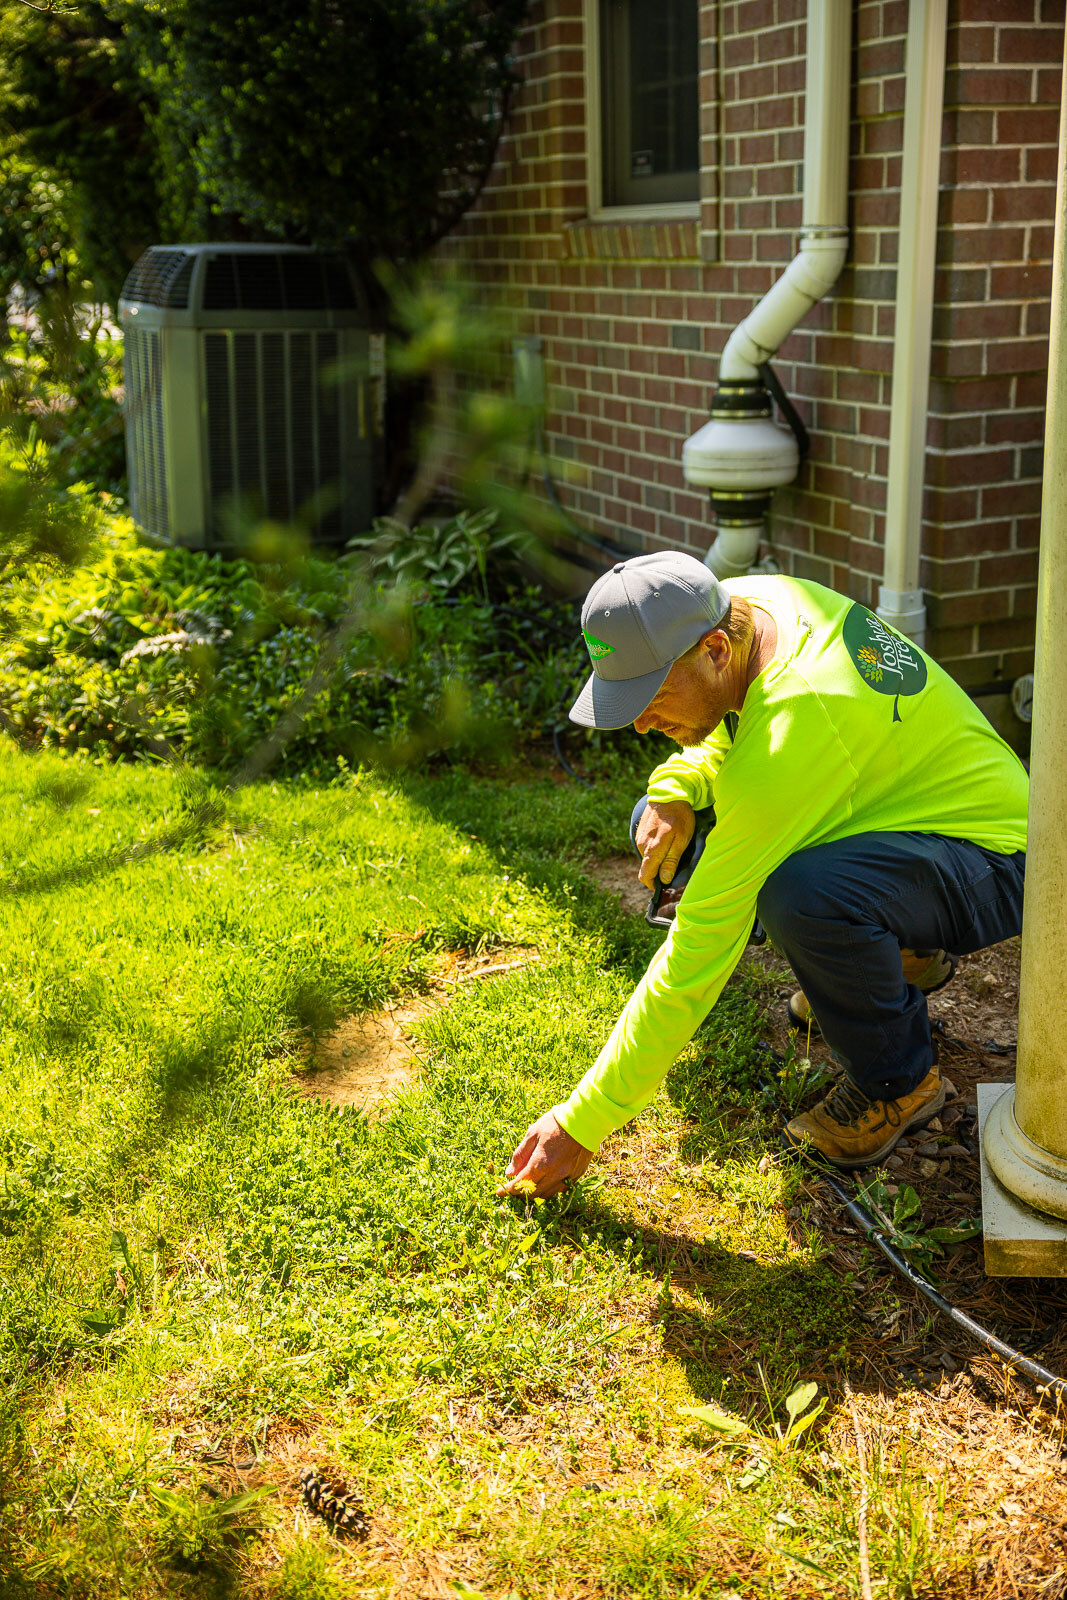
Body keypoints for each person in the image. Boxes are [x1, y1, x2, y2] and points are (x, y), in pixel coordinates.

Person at [499, 550, 1028, 1195]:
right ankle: (895, 959)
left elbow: (695, 957)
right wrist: (675, 786)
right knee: (662, 814)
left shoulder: (792, 730)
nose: (640, 722)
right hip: (901, 811)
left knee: (798, 896)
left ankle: (900, 1081)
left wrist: (584, 1121)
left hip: (998, 861)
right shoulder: (748, 603)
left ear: (715, 650)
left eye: (652, 695)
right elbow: (730, 731)